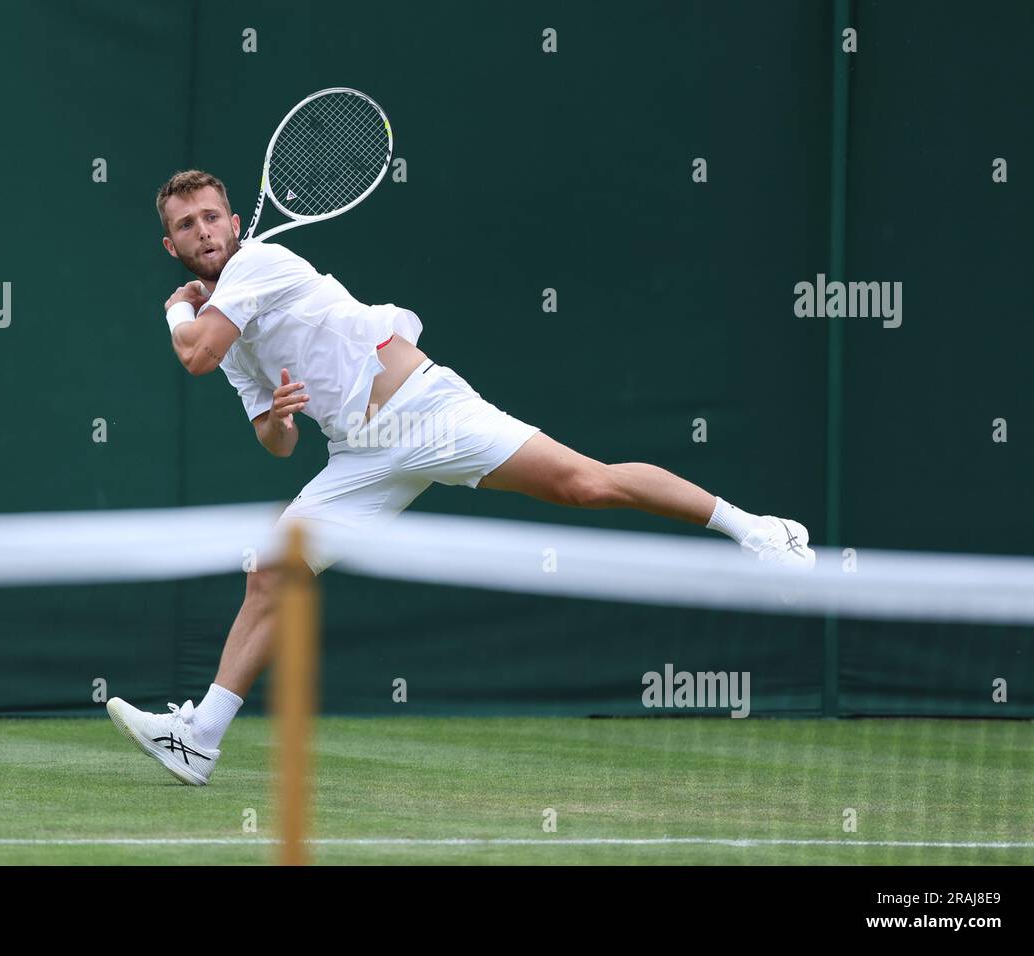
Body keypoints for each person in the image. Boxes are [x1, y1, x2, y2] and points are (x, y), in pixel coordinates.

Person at [105, 169, 815, 786]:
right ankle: (199, 739)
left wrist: (175, 306)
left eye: (209, 217)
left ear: (233, 222)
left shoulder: (256, 264)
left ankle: (758, 530)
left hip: (426, 413)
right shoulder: (227, 328)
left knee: (586, 483)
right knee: (272, 571)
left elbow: (192, 354)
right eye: (184, 225)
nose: (202, 231)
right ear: (171, 245)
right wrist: (284, 419)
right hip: (359, 455)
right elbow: (274, 441)